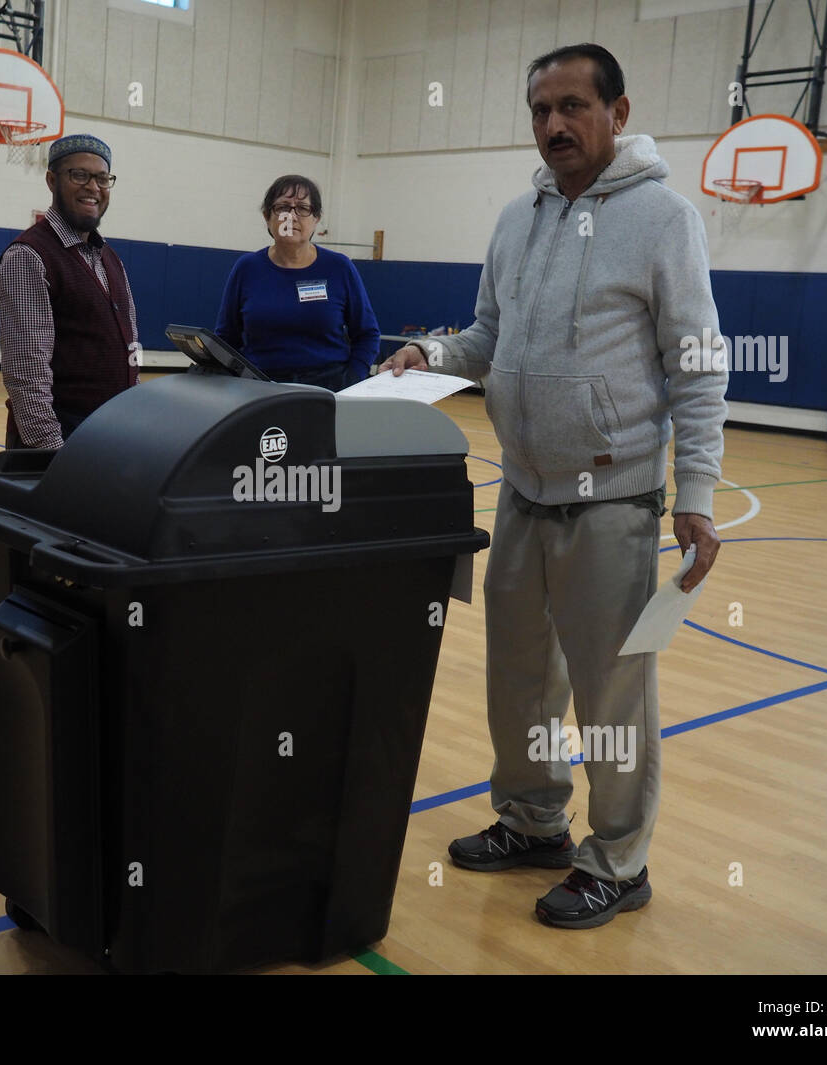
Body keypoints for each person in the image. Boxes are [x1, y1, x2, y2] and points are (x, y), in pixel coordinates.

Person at [380, 43, 727, 928]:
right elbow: (489, 334)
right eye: (540, 109)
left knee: (611, 694)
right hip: (522, 489)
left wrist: (698, 489)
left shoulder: (663, 219)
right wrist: (438, 354)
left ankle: (618, 857)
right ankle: (534, 819)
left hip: (614, 499)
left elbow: (696, 365)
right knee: (522, 678)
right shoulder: (516, 217)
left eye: (573, 106)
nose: (554, 125)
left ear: (617, 111)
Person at [0, 134, 139, 449]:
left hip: (111, 436)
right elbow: (27, 371)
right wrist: (50, 454)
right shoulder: (28, 257)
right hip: (62, 445)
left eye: (102, 178)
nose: (93, 188)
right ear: (51, 180)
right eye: (79, 175)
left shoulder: (111, 259)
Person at [215, 175, 380, 391]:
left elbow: (367, 333)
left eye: (302, 208)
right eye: (283, 207)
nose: (291, 216)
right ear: (267, 217)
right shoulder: (247, 267)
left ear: (316, 218)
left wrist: (353, 378)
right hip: (259, 387)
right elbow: (226, 338)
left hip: (330, 387)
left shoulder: (339, 267)